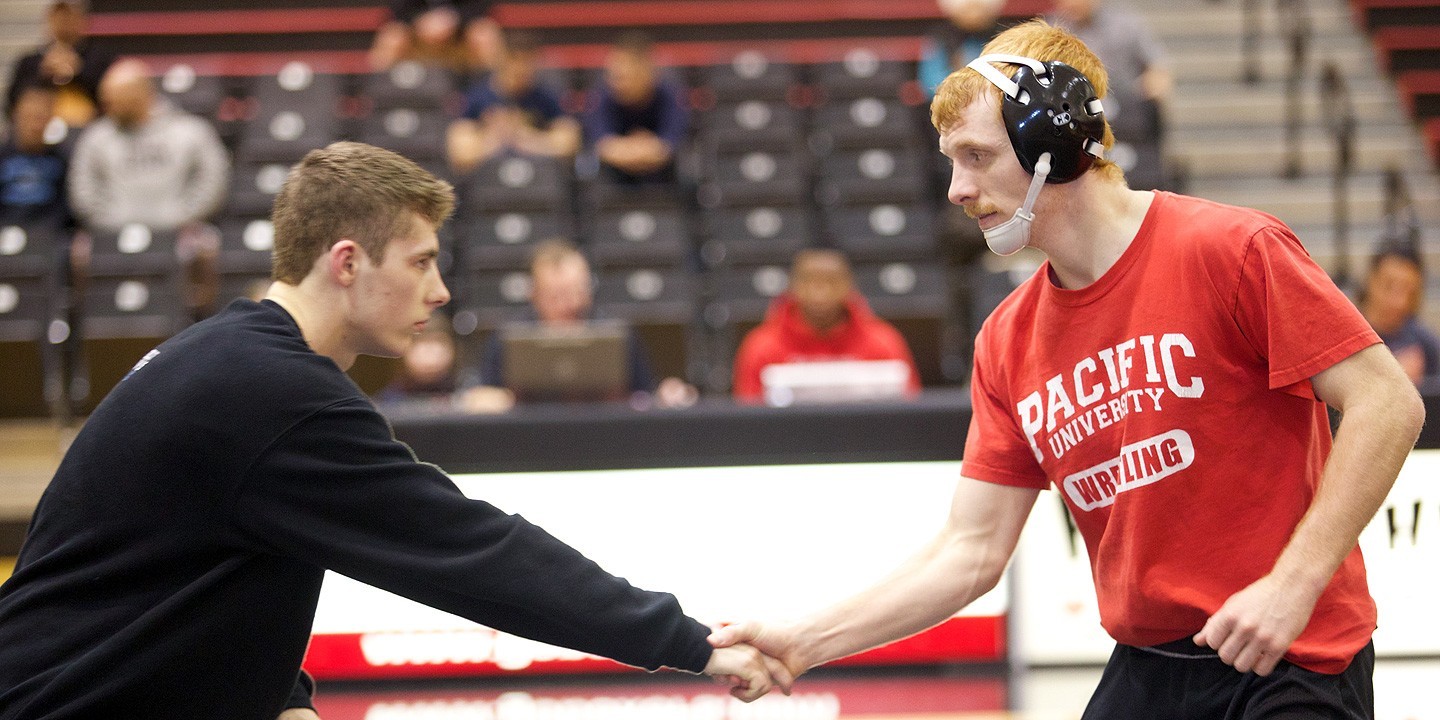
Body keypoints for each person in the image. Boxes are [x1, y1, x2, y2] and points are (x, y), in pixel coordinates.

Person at [711, 20, 1424, 719]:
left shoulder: (1231, 249)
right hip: (1153, 664)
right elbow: (971, 551)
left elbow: (1388, 403)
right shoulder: (1007, 340)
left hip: (1290, 653)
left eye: (976, 156)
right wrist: (803, 642)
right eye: (951, 161)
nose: (957, 188)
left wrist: (1295, 584)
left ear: (1052, 142)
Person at [0, 142, 779, 719]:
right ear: (347, 262)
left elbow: (206, 565)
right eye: (421, 262)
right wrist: (690, 642)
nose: (439, 291)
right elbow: (474, 553)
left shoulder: (229, 358)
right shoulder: (277, 395)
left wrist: (283, 696)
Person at [68, 58, 230, 319]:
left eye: (115, 100)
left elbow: (212, 182)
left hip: (179, 229)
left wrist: (180, 216)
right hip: (109, 232)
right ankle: (86, 330)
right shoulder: (95, 138)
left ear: (142, 94)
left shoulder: (191, 131)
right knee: (79, 252)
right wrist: (114, 224)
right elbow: (83, 193)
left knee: (207, 246)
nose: (107, 107)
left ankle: (201, 327)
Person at [477, 238, 698, 408]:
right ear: (533, 294)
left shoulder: (617, 333)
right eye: (556, 296)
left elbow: (645, 394)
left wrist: (666, 393)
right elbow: (481, 395)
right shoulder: (509, 338)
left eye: (577, 292)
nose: (570, 304)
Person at [731, 249, 921, 404]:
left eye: (832, 282)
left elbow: (910, 407)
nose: (820, 293)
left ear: (849, 285)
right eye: (809, 281)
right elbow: (748, 417)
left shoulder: (884, 342)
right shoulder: (761, 346)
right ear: (793, 286)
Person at [1048, 0, 1172, 191]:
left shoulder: (1125, 24)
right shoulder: (1051, 31)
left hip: (1125, 117)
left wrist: (1141, 94)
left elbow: (1159, 71)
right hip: (1076, 122)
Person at [446, 30, 581, 175]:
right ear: (500, 60)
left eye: (527, 62)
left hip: (537, 176)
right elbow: (460, 154)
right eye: (514, 60)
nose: (520, 68)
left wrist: (526, 138)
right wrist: (495, 139)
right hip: (489, 177)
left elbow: (569, 144)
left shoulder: (546, 98)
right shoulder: (477, 98)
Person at [581, 31, 689, 186]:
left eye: (623, 77)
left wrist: (626, 149)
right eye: (612, 75)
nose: (615, 83)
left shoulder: (671, 96)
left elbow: (669, 146)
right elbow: (603, 146)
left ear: (646, 72)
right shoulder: (601, 96)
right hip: (612, 180)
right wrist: (641, 148)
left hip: (664, 180)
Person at [4, 0, 114, 129]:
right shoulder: (29, 62)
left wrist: (76, 73)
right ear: (49, 20)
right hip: (37, 129)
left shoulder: (98, 59)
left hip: (87, 129)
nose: (64, 23)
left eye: (69, 17)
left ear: (83, 20)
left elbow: (107, 99)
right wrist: (43, 73)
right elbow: (12, 101)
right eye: (59, 17)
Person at [1359, 244, 1439, 384]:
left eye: (1409, 292)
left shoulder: (1426, 345)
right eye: (1389, 286)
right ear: (1371, 280)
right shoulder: (1345, 336)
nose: (1399, 302)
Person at [369, 0, 499, 73]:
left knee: (485, 34)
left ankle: (491, 98)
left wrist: (454, 18)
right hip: (416, 33)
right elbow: (396, 9)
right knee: (391, 37)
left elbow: (481, 6)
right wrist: (419, 21)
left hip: (460, 32)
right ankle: (379, 101)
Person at [918, 0, 1004, 100]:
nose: (973, 11)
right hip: (951, 104)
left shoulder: (1003, 37)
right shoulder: (940, 39)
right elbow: (932, 85)